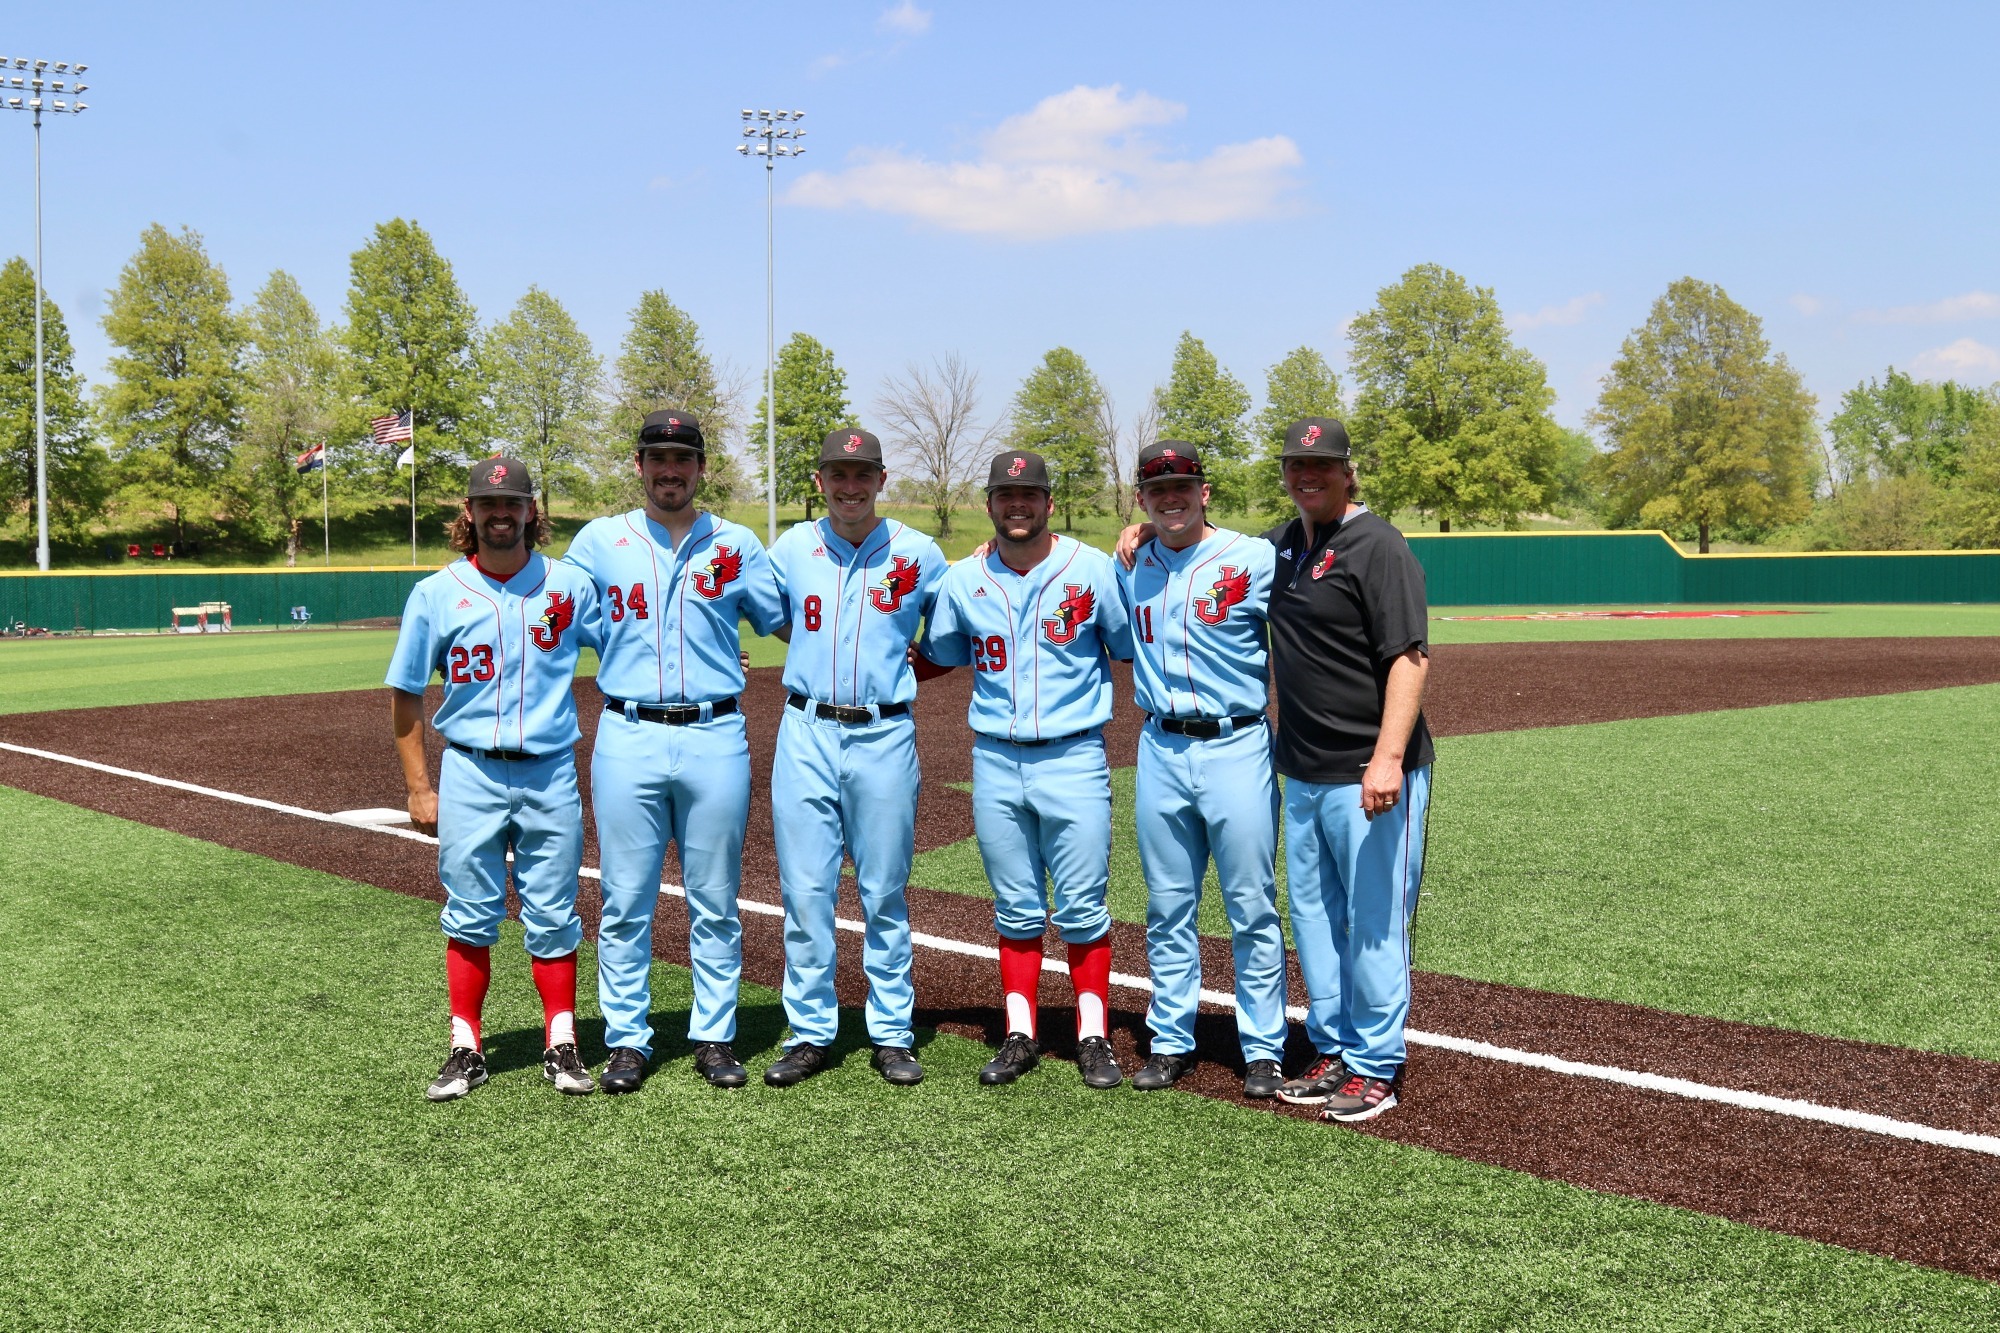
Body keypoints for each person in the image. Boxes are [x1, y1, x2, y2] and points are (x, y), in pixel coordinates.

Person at [1114, 416, 1433, 1123]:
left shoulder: (1375, 545)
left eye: (1321, 464)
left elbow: (1410, 657)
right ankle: (1330, 1047)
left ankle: (1368, 1063)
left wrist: (1388, 756)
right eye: (1296, 464)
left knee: (1370, 917)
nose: (1307, 475)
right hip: (1294, 766)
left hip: (1361, 768)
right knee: (1313, 916)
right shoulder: (1280, 548)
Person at [562, 410, 785, 1094]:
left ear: (700, 466)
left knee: (714, 897)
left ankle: (714, 1035)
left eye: (682, 457)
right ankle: (627, 1039)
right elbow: (555, 608)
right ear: (638, 464)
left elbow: (788, 613)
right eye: (658, 457)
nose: (669, 469)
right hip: (628, 731)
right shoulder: (600, 542)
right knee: (626, 899)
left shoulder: (738, 543)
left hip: (715, 733)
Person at [386, 456, 603, 1102]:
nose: (501, 514)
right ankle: (466, 1046)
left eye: (513, 503)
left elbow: (625, 647)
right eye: (489, 503)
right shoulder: (436, 592)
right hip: (471, 770)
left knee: (553, 912)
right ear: (470, 512)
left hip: (549, 770)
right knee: (469, 912)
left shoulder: (569, 586)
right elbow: (405, 695)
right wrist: (419, 786)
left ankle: (561, 1041)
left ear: (532, 510)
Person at [916, 450, 1133, 1089]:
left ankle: (1093, 1036)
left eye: (1030, 495)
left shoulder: (1091, 571)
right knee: (1015, 906)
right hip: (997, 760)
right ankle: (1020, 1034)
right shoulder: (963, 580)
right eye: (1006, 496)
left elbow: (1126, 643)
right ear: (990, 504)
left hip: (1074, 756)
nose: (1019, 505)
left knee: (1084, 908)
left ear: (1048, 503)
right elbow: (939, 656)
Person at [762, 428, 946, 1087]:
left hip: (884, 733)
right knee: (806, 890)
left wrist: (891, 670)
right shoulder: (790, 547)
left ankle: (892, 1031)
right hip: (806, 727)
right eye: (837, 473)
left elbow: (949, 637)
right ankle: (811, 1029)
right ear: (819, 479)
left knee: (885, 889)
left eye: (861, 473)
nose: (849, 485)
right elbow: (780, 619)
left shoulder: (919, 553)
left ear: (881, 479)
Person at [1117, 439, 1288, 1098]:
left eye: (1182, 484)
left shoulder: (1253, 557)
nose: (1171, 497)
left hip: (1237, 744)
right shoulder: (1129, 565)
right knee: (1167, 907)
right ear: (1142, 498)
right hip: (1160, 748)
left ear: (1204, 490)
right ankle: (1170, 1039)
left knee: (1251, 904)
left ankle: (1264, 1047)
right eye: (1157, 489)